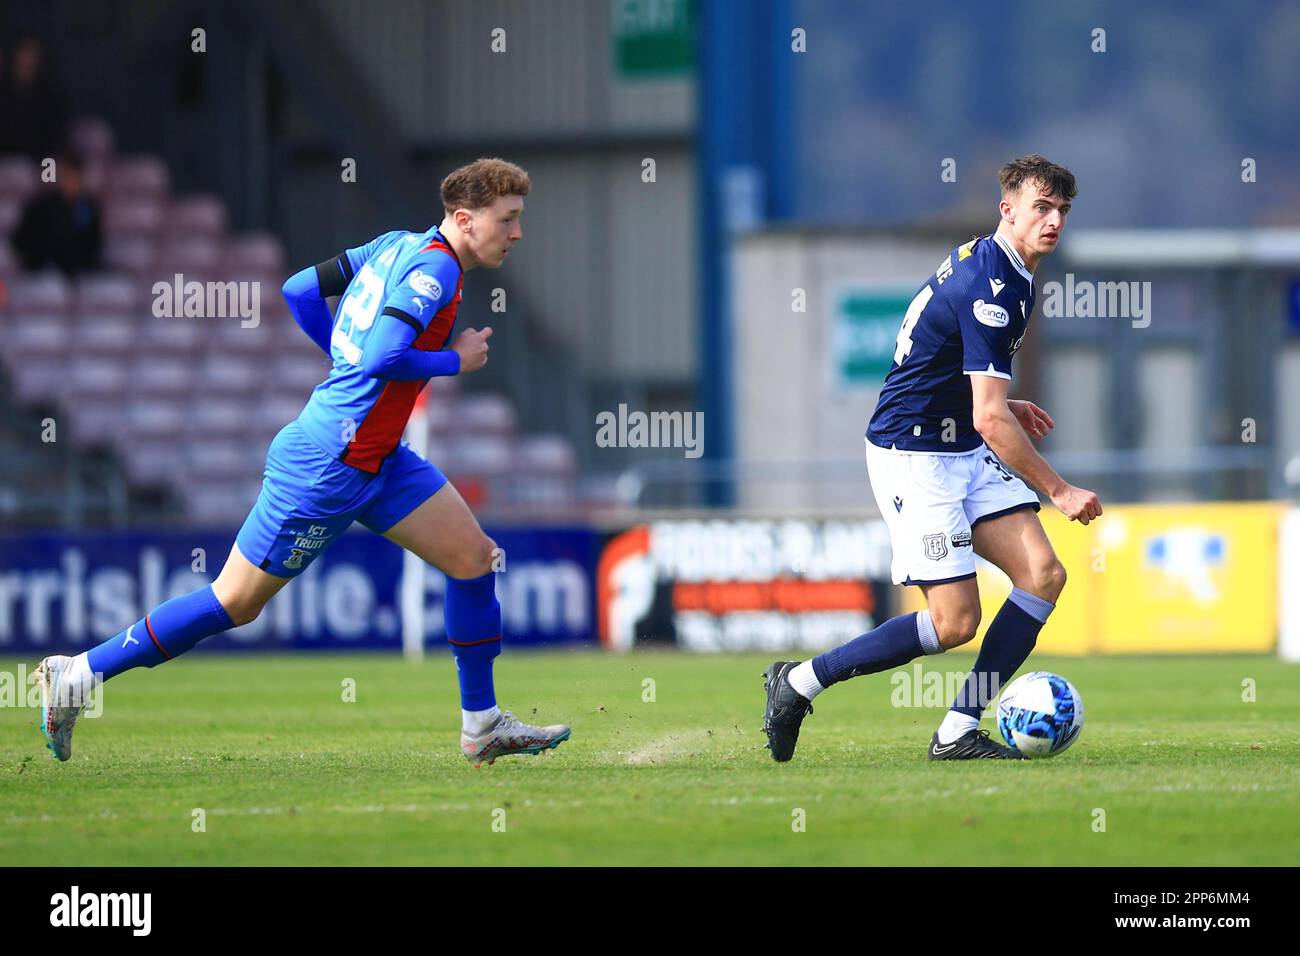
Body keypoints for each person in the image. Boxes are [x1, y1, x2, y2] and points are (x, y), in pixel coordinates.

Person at [36, 158, 571, 768]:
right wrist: (456, 361)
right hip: (328, 465)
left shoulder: (397, 244)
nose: (518, 233)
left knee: (475, 557)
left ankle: (482, 724)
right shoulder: (434, 273)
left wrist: (345, 356)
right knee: (235, 602)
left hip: (379, 459)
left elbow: (298, 289)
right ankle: (79, 673)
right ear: (464, 219)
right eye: (509, 219)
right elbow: (382, 357)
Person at [762, 154, 1102, 761]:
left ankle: (956, 734)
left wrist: (999, 399)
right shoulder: (992, 285)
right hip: (914, 453)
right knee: (953, 624)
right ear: (1008, 209)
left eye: (1062, 211)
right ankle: (798, 682)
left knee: (1043, 575)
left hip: (959, 442)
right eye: (1040, 208)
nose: (1053, 221)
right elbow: (988, 417)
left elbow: (959, 375)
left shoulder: (1006, 266)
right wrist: (1060, 489)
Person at [11, 152, 101, 276]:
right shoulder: (40, 207)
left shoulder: (88, 207)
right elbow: (20, 241)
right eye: (67, 176)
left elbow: (93, 245)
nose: (71, 182)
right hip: (41, 274)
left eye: (75, 176)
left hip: (79, 274)